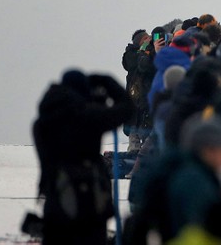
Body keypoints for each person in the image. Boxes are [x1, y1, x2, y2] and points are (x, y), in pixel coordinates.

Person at [32, 70, 134, 245]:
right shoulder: (89, 117)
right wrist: (108, 82)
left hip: (56, 197)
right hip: (91, 200)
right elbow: (127, 110)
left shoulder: (42, 124)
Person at [122, 28, 160, 153]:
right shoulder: (131, 55)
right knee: (134, 143)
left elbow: (150, 67)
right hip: (135, 101)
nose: (149, 39)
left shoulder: (150, 52)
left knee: (148, 142)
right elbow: (137, 64)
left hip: (146, 102)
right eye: (146, 38)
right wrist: (143, 51)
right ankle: (133, 163)